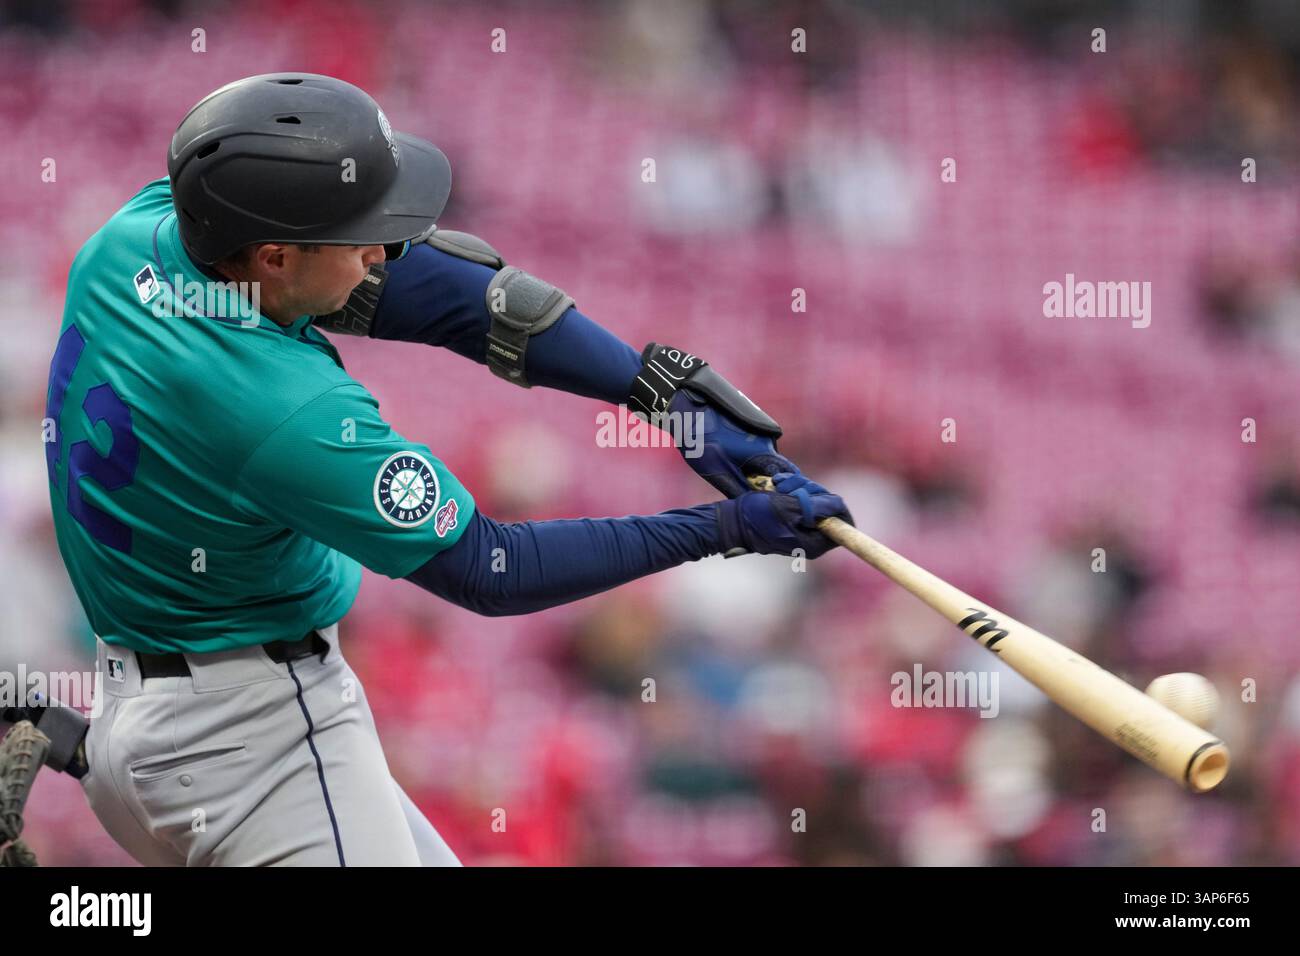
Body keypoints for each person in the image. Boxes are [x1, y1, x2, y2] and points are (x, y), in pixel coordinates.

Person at [43, 72, 852, 866]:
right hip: (258, 748)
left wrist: (652, 388)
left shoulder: (138, 236)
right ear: (276, 256)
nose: (383, 247)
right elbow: (493, 569)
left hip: (138, 733)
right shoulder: (285, 411)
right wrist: (720, 528)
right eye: (357, 234)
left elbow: (447, 293)